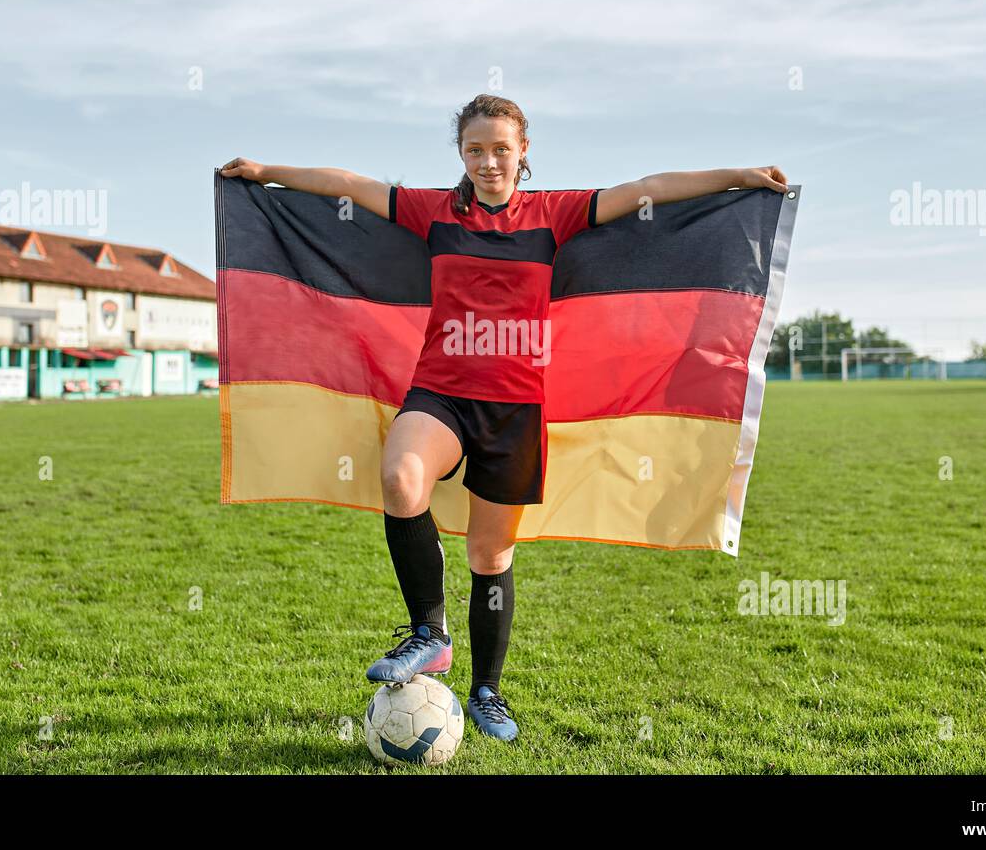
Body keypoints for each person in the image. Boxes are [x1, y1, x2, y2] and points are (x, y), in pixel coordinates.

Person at [221, 94, 787, 741]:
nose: (488, 161)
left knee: (490, 556)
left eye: (500, 148)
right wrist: (269, 171)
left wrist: (736, 178)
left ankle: (487, 690)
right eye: (474, 149)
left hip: (515, 411)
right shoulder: (434, 211)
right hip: (441, 393)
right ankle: (428, 634)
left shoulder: (554, 213)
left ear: (523, 151)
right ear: (461, 155)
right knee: (402, 476)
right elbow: (350, 186)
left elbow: (646, 190)